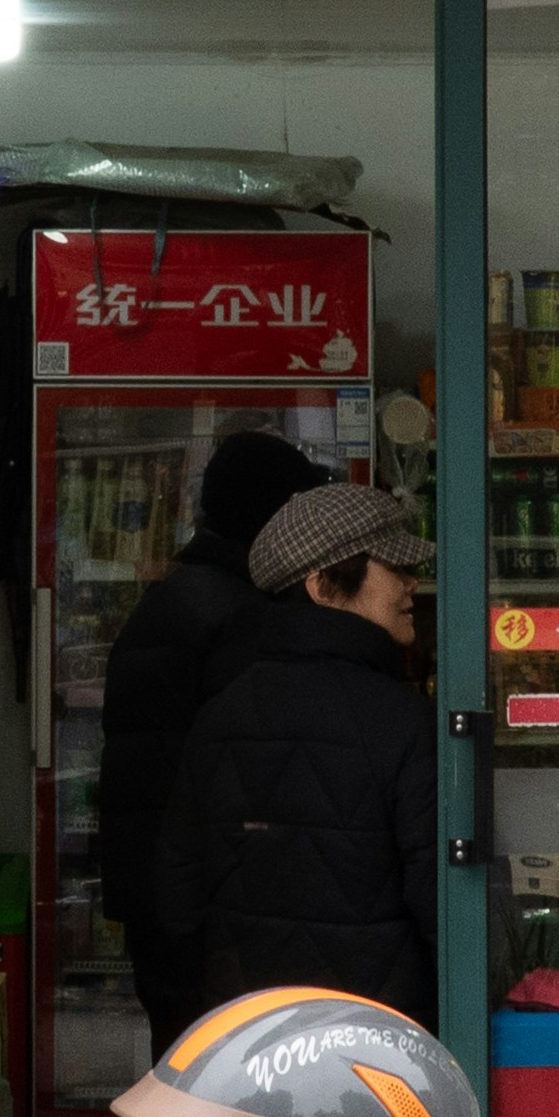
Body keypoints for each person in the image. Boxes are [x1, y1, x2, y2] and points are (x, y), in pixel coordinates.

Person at [95, 428, 337, 1083]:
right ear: (270, 519)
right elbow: (251, 779)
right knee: (221, 1101)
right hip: (203, 912)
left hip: (161, 900)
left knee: (180, 1093)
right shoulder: (236, 615)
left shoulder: (178, 599)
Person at [159, 481, 442, 1024]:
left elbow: (178, 892)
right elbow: (440, 902)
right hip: (375, 1034)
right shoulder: (403, 721)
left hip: (245, 1032)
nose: (412, 584)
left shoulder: (220, 714)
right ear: (322, 584)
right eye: (393, 569)